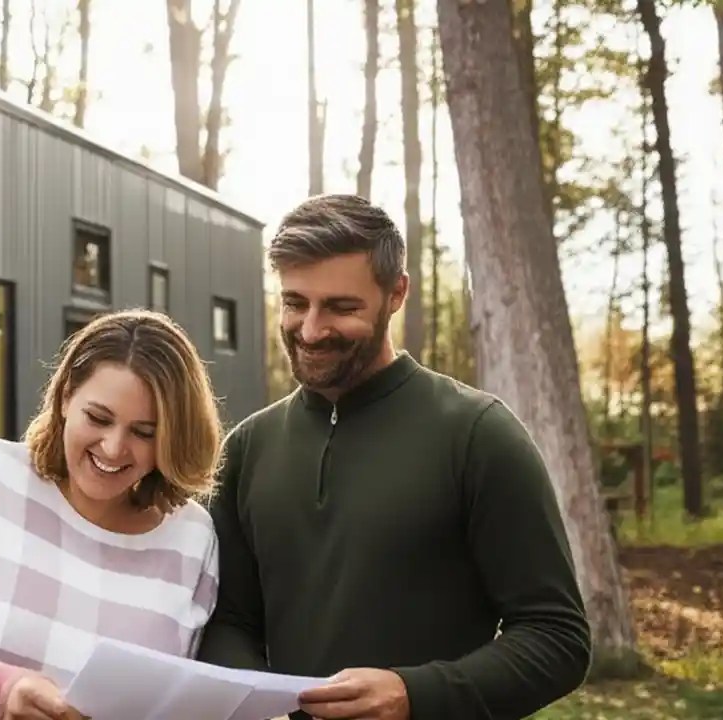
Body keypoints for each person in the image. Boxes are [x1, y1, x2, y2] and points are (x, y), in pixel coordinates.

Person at [196, 194, 592, 720]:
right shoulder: (247, 448)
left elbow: (558, 637)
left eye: (341, 307)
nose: (311, 330)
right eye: (295, 303)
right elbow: (229, 623)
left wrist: (415, 695)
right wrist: (256, 701)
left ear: (396, 293)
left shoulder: (478, 435)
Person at [0, 309, 225, 720]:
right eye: (98, 418)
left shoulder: (193, 538)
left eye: (144, 433)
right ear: (65, 398)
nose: (113, 448)